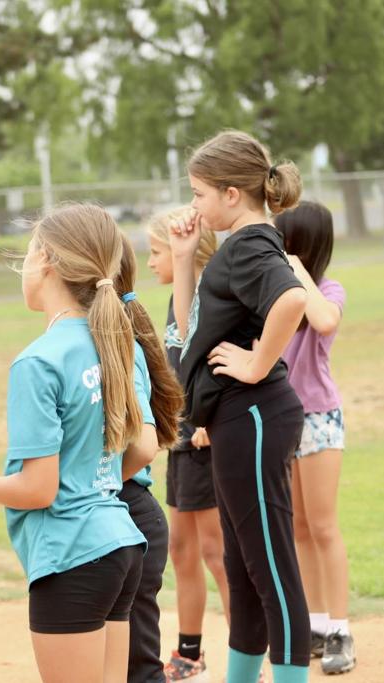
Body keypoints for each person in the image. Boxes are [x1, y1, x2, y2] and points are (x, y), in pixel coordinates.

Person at [0, 203, 159, 683]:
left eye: (27, 253)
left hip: (73, 556)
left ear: (45, 261)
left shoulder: (39, 361)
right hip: (120, 543)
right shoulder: (111, 341)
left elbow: (39, 489)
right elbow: (140, 448)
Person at [169, 130, 311, 683]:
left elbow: (294, 298)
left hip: (253, 414)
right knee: (244, 567)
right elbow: (192, 336)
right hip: (236, 420)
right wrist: (184, 260)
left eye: (200, 193)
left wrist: (255, 364)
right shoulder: (238, 244)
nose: (195, 205)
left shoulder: (250, 242)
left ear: (232, 194)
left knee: (271, 568)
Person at [147, 209, 231, 682]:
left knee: (219, 554)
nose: (151, 261)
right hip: (181, 441)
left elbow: (215, 359)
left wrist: (209, 417)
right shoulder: (174, 300)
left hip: (206, 441)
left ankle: (248, 658)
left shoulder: (208, 296)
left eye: (156, 251)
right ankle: (190, 651)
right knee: (181, 549)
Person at [277, 201, 354, 675]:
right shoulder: (279, 294)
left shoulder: (326, 289)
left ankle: (342, 630)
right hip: (285, 419)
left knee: (323, 526)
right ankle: (316, 624)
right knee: (299, 527)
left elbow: (324, 321)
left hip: (320, 418)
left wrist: (300, 272)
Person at [114, 233, 186, 683]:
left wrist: (96, 480)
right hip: (124, 510)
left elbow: (144, 443)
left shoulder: (119, 341)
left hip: (131, 510)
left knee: (138, 668)